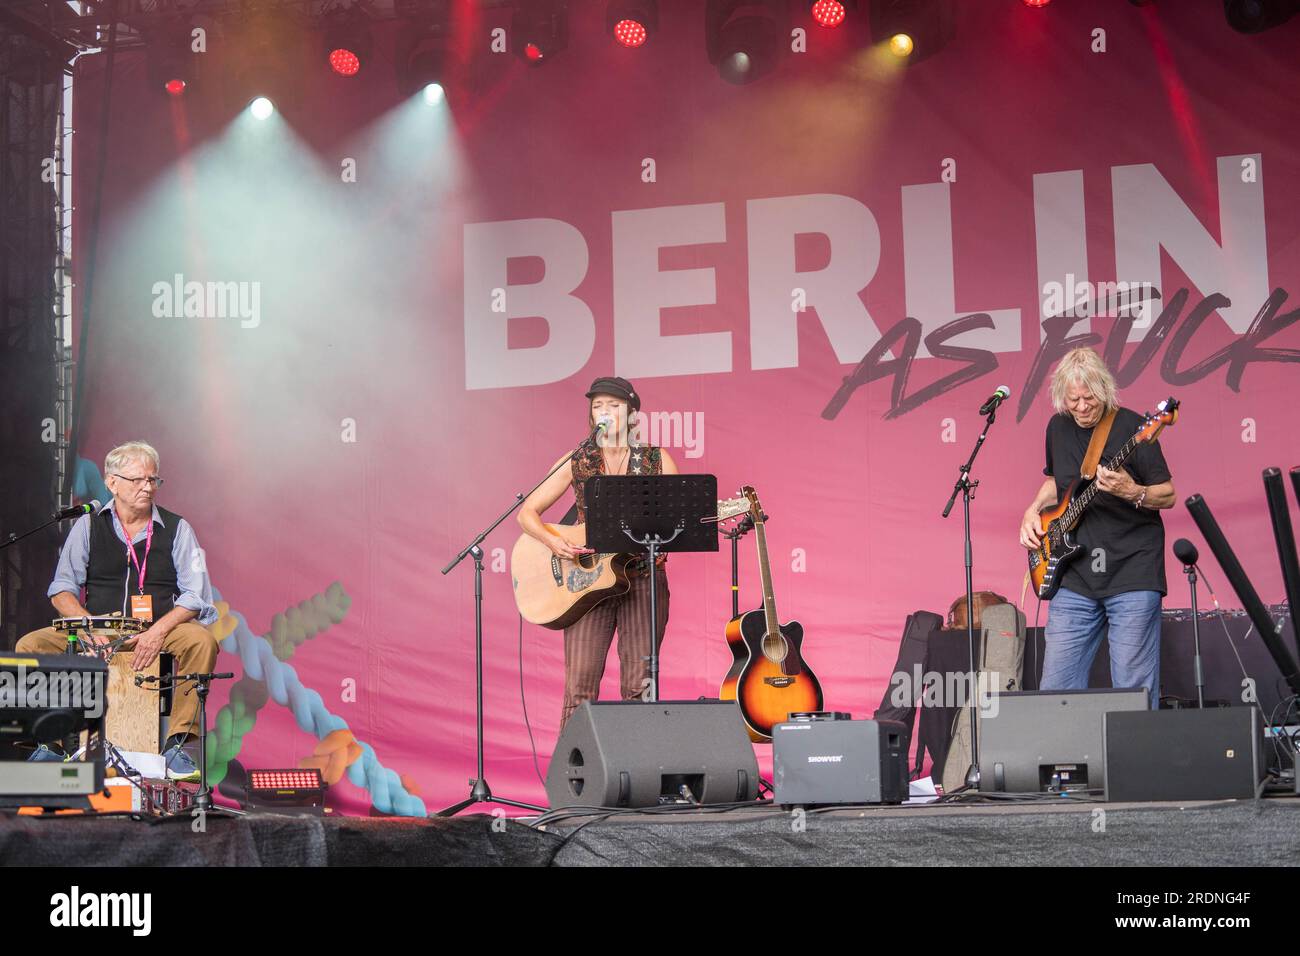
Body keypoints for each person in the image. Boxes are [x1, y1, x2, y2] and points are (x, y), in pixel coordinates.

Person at [18, 441, 219, 779]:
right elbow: (61, 588)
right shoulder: (88, 525)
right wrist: (86, 626)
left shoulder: (177, 528)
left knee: (201, 641)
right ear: (112, 482)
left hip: (158, 627)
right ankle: (49, 744)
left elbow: (195, 596)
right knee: (30, 646)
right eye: (138, 480)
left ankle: (178, 745)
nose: (147, 487)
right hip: (97, 629)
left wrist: (157, 632)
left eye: (153, 480)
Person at [1018, 348, 1176, 709]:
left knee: (1132, 689)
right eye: (1073, 399)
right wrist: (1031, 511)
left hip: (1132, 571)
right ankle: (1063, 764)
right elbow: (1057, 481)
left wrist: (1132, 491)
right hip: (1074, 576)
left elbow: (1168, 494)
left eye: (1089, 398)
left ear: (1104, 391)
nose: (1082, 407)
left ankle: (1136, 763)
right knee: (1057, 689)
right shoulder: (1057, 426)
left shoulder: (1135, 429)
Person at [518, 376, 678, 728]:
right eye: (598, 405)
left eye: (614, 405)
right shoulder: (578, 459)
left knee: (641, 688)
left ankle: (640, 776)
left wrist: (665, 544)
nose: (605, 411)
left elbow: (678, 520)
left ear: (632, 413)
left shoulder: (654, 459)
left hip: (642, 579)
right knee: (579, 690)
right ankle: (574, 779)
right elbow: (527, 513)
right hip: (586, 584)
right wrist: (553, 541)